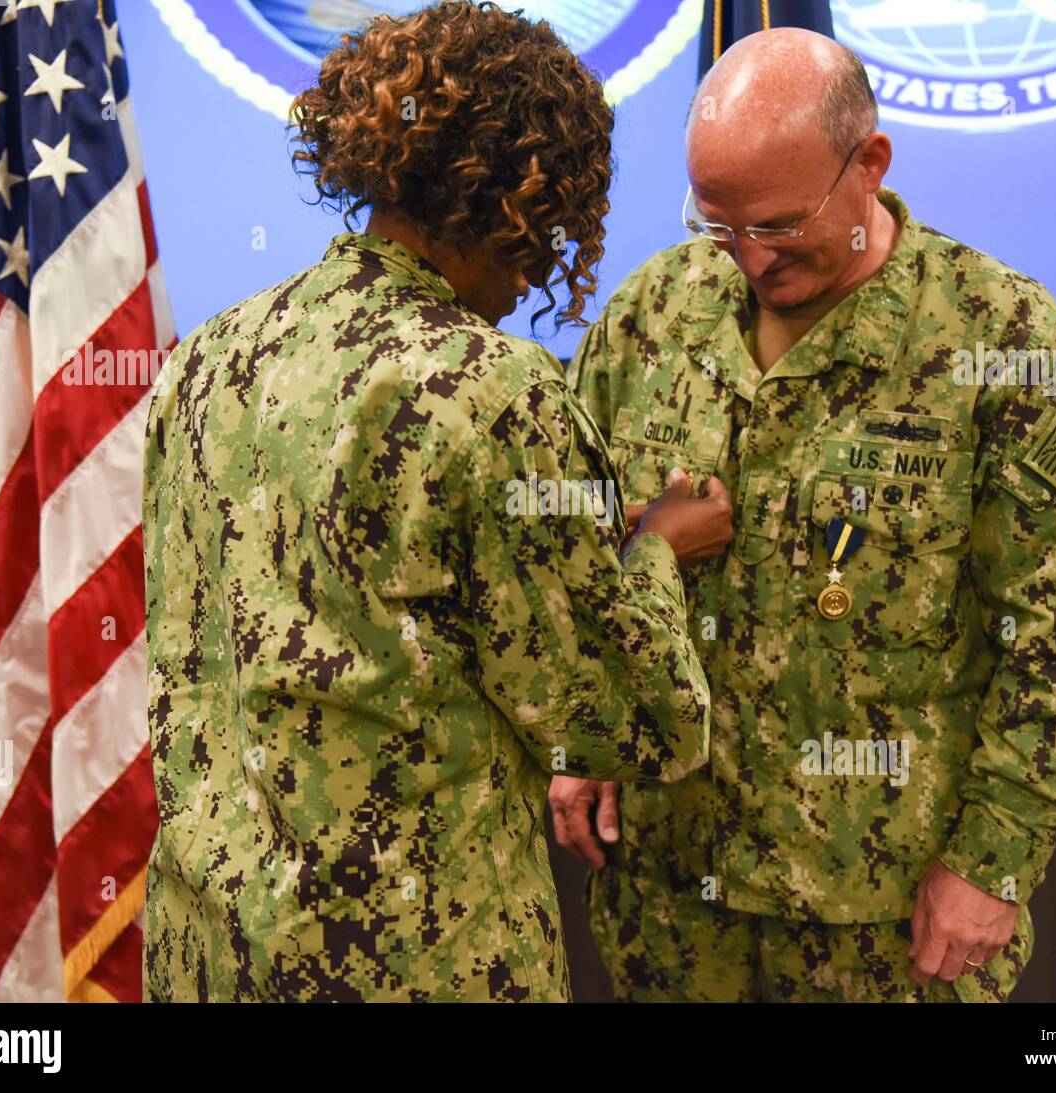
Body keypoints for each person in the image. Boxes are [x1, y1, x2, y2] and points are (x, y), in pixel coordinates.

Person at [552, 27, 1056, 1002]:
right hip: (670, 913)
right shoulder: (650, 317)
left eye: (780, 225)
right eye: (719, 226)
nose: (749, 258)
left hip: (885, 925)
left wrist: (994, 861)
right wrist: (588, 734)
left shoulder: (996, 340)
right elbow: (574, 554)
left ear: (869, 163)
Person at [141, 0, 733, 1002]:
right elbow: (627, 719)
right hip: (415, 963)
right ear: (525, 200)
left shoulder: (207, 358)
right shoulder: (489, 388)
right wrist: (655, 554)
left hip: (207, 954)